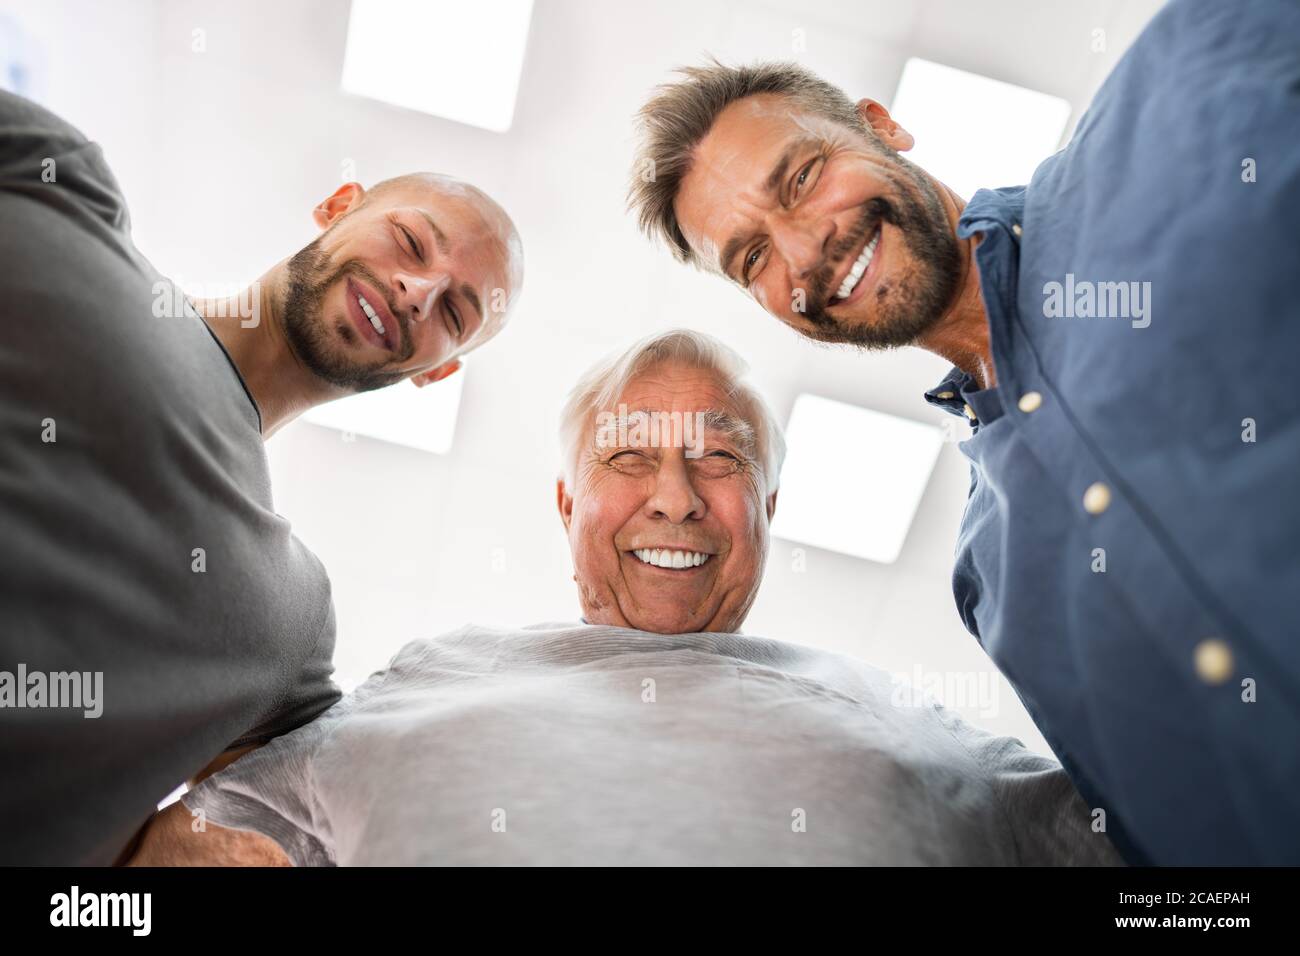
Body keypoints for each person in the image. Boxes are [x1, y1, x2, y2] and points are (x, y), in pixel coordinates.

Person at [626, 0, 1300, 863]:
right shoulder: (991, 582)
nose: (807, 252)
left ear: (880, 127)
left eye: (800, 179)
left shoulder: (1182, 87)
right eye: (753, 257)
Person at [126, 330, 1118, 866]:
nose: (676, 497)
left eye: (718, 457)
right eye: (630, 455)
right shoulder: (427, 671)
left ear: (769, 506)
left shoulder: (907, 710)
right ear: (568, 502)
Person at [0, 89, 524, 864]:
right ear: (338, 205)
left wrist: (151, 857)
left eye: (455, 311)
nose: (419, 291)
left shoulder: (295, 628)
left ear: (435, 373)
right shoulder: (63, 187)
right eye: (411, 241)